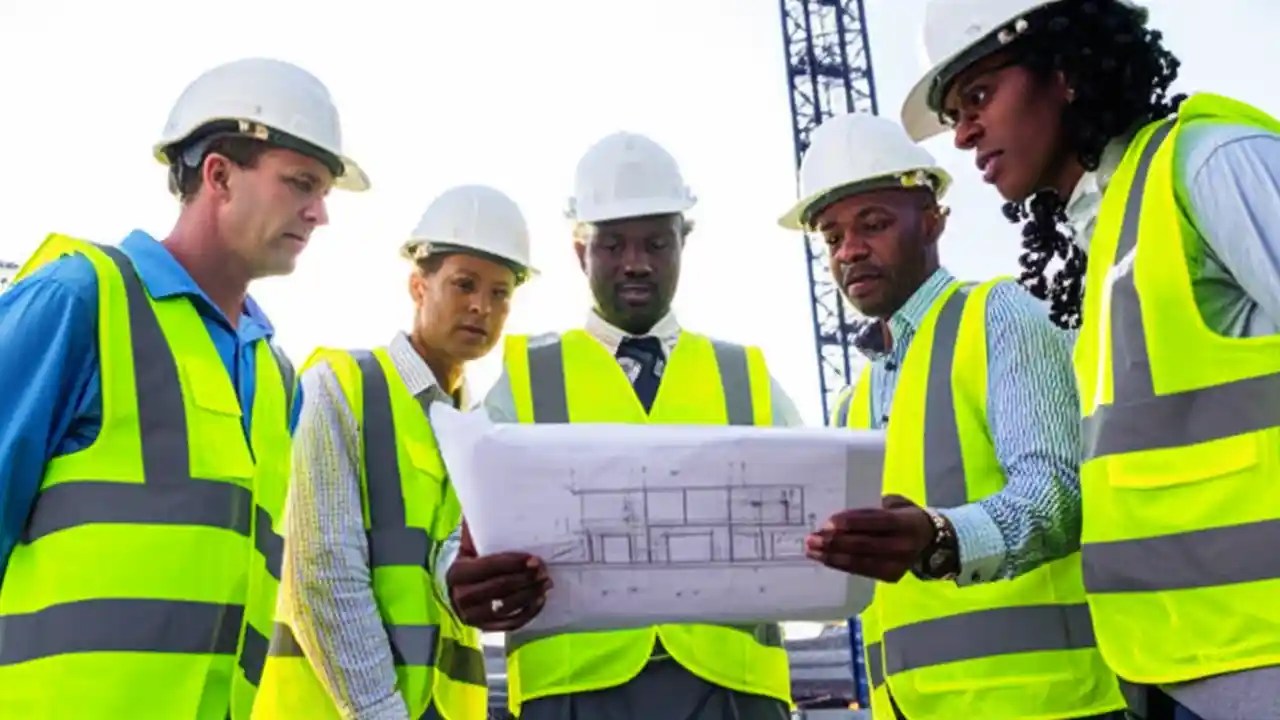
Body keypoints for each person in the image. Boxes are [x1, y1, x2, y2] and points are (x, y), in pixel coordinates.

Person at [830, 1, 1280, 719]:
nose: (965, 131)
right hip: (1169, 663)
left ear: (1065, 69)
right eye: (955, 112)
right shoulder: (1108, 248)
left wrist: (944, 537)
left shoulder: (1208, 164)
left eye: (979, 96)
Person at [0, 57, 368, 719]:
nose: (319, 214)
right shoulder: (80, 299)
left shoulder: (276, 376)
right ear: (218, 176)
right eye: (299, 185)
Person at [440, 131, 806, 720]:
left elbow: (815, 515)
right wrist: (455, 578)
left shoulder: (746, 375)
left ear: (684, 244)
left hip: (734, 690)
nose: (636, 262)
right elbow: (456, 533)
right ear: (580, 252)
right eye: (613, 245)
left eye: (656, 243)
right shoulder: (528, 378)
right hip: (573, 691)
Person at [789, 112, 1128, 720]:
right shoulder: (851, 401)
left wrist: (940, 538)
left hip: (1045, 704)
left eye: (873, 223)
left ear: (933, 220)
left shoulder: (996, 315)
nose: (850, 251)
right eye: (832, 237)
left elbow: (1059, 495)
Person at [250, 185, 539, 720]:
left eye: (500, 293)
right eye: (464, 285)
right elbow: (322, 570)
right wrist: (381, 711)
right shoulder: (341, 387)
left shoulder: (480, 431)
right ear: (417, 286)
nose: (481, 306)